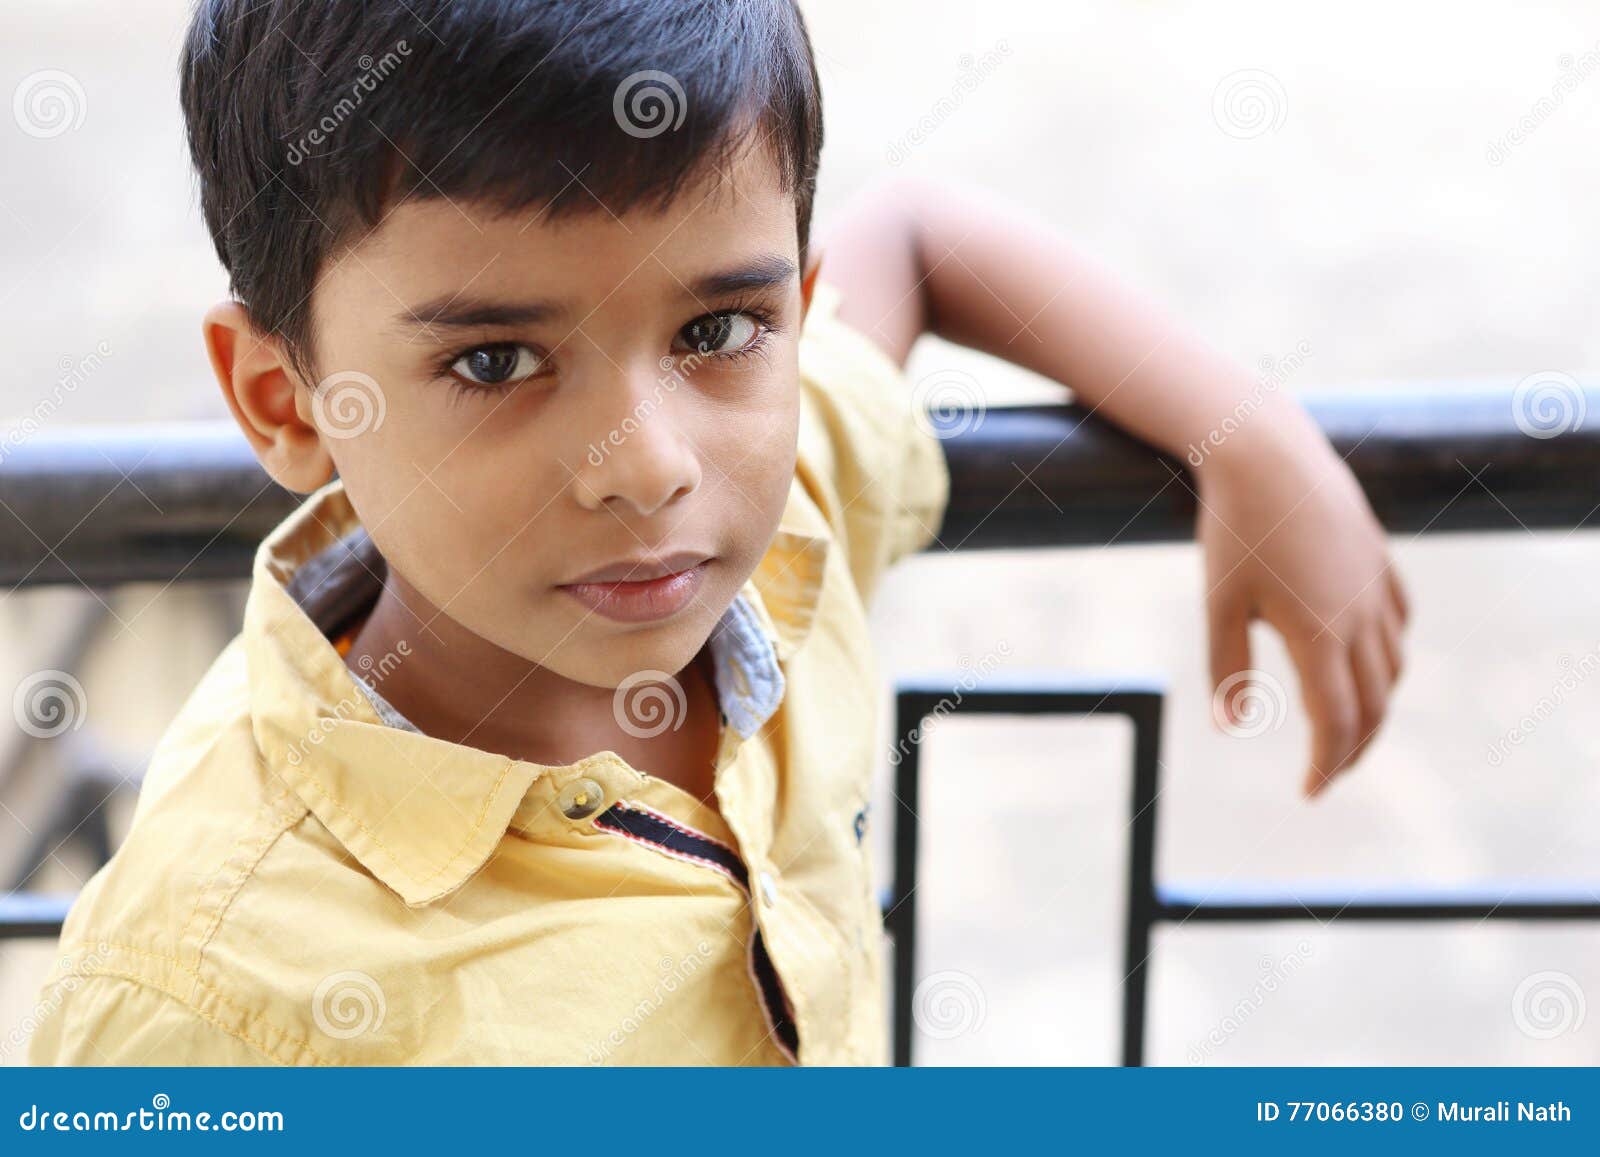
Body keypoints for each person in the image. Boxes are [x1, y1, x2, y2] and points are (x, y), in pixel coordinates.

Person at [29, 0, 1406, 1065]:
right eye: (499, 362)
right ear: (286, 398)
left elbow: (921, 238)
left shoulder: (790, 516)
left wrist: (1250, 436)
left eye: (716, 331)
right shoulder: (206, 998)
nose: (652, 468)